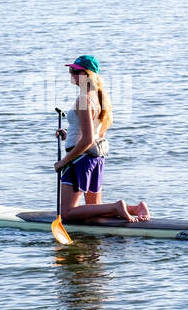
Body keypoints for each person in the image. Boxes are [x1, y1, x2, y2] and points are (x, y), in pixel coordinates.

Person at [53, 54, 150, 222]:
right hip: (94, 159)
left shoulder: (84, 99)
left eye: (75, 71)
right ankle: (135, 208)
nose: (71, 74)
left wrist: (64, 161)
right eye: (71, 70)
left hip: (79, 160)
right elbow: (94, 133)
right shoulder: (98, 97)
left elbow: (87, 140)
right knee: (94, 211)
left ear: (86, 74)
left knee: (67, 213)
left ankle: (116, 206)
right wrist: (68, 137)